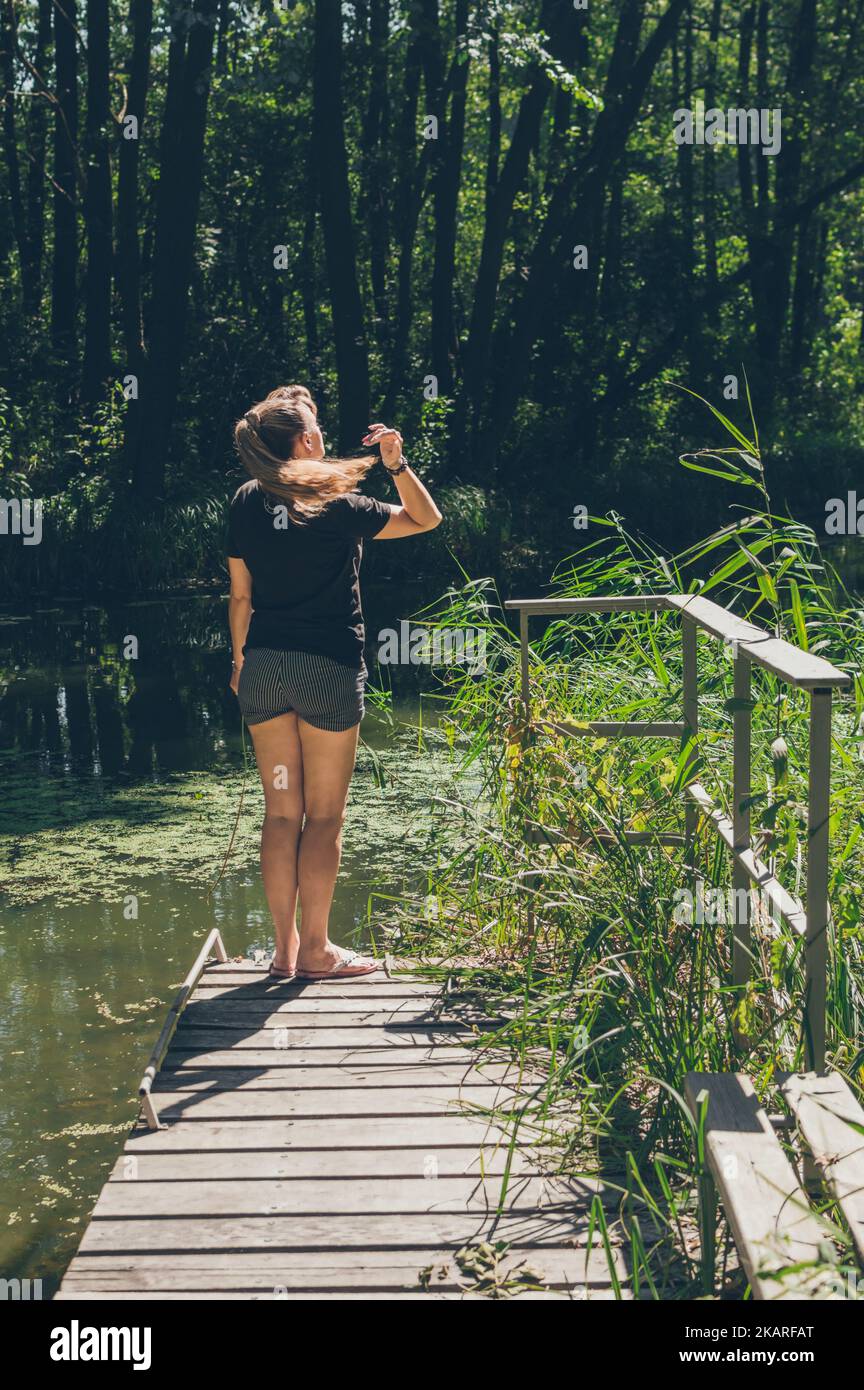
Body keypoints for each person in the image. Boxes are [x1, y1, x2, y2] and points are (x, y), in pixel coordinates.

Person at [226, 385, 442, 980]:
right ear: (304, 440)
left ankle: (283, 952)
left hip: (265, 670)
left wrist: (241, 662)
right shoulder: (338, 502)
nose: (323, 434)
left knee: (278, 814)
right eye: (315, 426)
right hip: (327, 672)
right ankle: (318, 952)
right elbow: (426, 518)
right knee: (322, 818)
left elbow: (240, 595)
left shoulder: (244, 501)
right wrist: (396, 464)